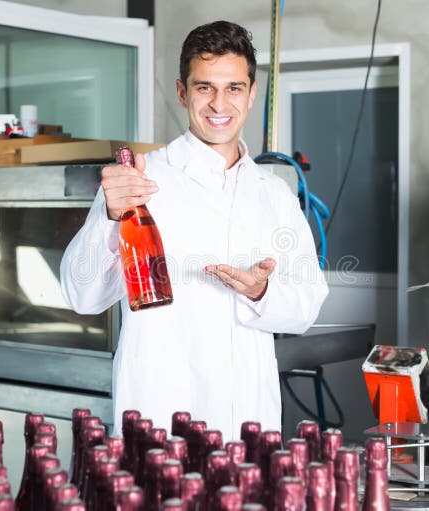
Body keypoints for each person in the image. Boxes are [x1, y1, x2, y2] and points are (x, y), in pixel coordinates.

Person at [60, 20, 328, 441]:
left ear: (252, 93)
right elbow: (83, 296)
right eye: (204, 87)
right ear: (182, 91)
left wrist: (260, 291)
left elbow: (308, 305)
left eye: (234, 88)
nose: (219, 103)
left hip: (248, 419)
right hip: (161, 415)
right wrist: (108, 221)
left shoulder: (273, 194)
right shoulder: (139, 180)